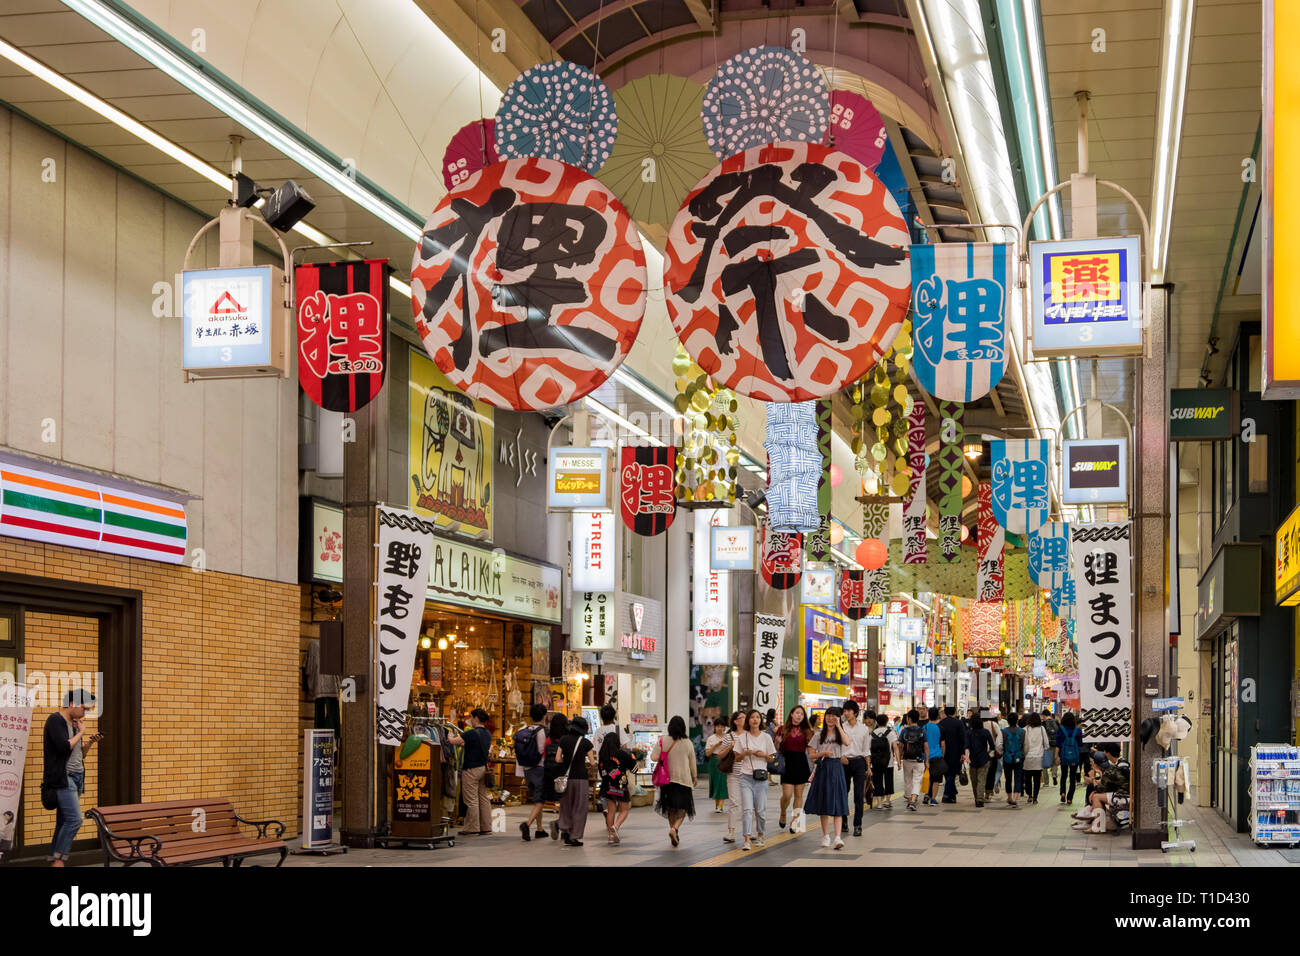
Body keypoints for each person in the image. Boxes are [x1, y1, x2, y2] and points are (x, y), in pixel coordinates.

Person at [43, 689, 102, 866]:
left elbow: (79, 754)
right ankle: (59, 859)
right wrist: (81, 733)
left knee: (64, 821)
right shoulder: (56, 720)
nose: (86, 712)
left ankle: (54, 859)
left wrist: (90, 742)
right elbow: (63, 747)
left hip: (77, 777)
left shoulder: (73, 724)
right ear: (72, 704)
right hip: (64, 778)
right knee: (75, 819)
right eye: (84, 708)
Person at [804, 706, 850, 849]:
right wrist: (822, 753)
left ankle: (837, 837)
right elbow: (811, 754)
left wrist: (839, 726)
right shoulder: (818, 735)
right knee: (824, 802)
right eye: (828, 715)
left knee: (838, 801)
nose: (830, 718)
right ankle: (825, 836)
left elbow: (847, 742)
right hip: (824, 769)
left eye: (834, 716)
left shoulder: (840, 733)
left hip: (837, 768)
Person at [734, 709, 777, 851]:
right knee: (747, 810)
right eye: (752, 717)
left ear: (761, 720)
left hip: (761, 778)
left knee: (760, 810)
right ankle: (746, 839)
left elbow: (772, 758)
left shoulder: (766, 737)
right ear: (748, 721)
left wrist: (764, 755)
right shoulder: (742, 738)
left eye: (758, 717)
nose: (755, 719)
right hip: (745, 777)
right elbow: (736, 758)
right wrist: (745, 753)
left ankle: (760, 835)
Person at [651, 716, 697, 847]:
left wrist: (664, 755)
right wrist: (695, 776)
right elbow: (692, 763)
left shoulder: (663, 740)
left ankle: (672, 829)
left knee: (671, 808)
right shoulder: (687, 742)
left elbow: (653, 757)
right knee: (683, 808)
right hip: (683, 781)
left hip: (667, 780)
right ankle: (674, 829)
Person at [447, 708, 493, 837]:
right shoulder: (487, 733)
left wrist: (450, 734)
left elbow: (453, 741)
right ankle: (486, 827)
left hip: (471, 769)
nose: (470, 721)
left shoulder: (471, 733)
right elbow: (472, 745)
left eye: (471, 718)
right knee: (483, 798)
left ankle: (472, 828)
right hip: (483, 769)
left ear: (476, 718)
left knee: (471, 800)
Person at [1072, 744, 1130, 833]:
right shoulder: (1117, 765)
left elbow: (1101, 788)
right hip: (1123, 792)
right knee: (1095, 794)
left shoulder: (1115, 768)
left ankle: (1097, 826)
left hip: (1123, 795)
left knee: (1096, 797)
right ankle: (1092, 822)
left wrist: (1093, 779)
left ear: (1108, 753)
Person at [555, 716, 594, 847]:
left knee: (566, 805)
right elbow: (593, 762)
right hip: (581, 779)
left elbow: (557, 759)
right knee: (579, 807)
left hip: (566, 779)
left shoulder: (563, 740)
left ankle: (564, 829)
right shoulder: (585, 742)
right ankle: (574, 836)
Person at [774, 705, 812, 830]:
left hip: (801, 763)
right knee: (787, 794)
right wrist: (778, 742)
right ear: (791, 714)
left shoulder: (807, 731)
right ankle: (783, 812)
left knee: (799, 795)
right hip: (787, 764)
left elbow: (811, 749)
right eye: (797, 713)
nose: (799, 715)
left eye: (801, 714)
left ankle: (795, 821)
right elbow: (775, 749)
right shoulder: (782, 729)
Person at [516, 703, 549, 842]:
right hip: (539, 769)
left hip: (527, 770)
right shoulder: (543, 731)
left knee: (537, 800)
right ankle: (527, 824)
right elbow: (542, 750)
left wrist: (520, 772)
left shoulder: (524, 730)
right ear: (544, 716)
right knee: (540, 800)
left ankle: (540, 829)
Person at [598, 724, 634, 844]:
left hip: (607, 787)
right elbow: (634, 768)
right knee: (625, 809)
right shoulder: (621, 754)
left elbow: (602, 773)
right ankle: (616, 827)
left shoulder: (602, 756)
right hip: (620, 787)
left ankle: (610, 836)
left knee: (611, 810)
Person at [840, 699, 871, 835]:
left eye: (848, 711)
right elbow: (837, 746)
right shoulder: (841, 727)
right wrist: (841, 756)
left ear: (856, 713)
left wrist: (868, 767)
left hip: (859, 762)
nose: (846, 713)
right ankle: (844, 821)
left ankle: (858, 824)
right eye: (844, 711)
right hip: (844, 762)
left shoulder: (864, 729)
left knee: (859, 794)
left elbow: (866, 750)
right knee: (842, 793)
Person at [897, 709, 929, 812]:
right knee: (917, 781)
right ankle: (913, 799)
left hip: (907, 759)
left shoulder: (904, 731)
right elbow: (926, 747)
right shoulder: (922, 731)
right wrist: (927, 760)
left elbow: (901, 746)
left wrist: (899, 757)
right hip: (919, 759)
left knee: (908, 780)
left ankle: (910, 800)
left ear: (909, 719)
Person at [545, 713, 569, 841]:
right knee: (567, 801)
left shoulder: (549, 738)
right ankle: (562, 826)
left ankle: (562, 826)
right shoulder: (566, 738)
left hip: (551, 775)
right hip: (564, 774)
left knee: (562, 801)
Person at [722, 710, 745, 843]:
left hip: (749, 775)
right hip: (733, 775)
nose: (746, 719)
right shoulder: (728, 736)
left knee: (750, 804)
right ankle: (731, 832)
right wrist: (729, 748)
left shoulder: (750, 735)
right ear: (736, 721)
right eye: (743, 717)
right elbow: (720, 755)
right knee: (734, 803)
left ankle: (749, 831)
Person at [868, 710, 899, 810]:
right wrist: (898, 761)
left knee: (877, 781)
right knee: (888, 780)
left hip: (875, 762)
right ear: (886, 722)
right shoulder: (891, 732)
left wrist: (868, 765)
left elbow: (868, 750)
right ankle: (888, 801)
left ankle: (879, 803)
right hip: (888, 762)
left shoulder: (872, 734)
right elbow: (895, 747)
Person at [937, 706, 966, 804]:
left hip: (943, 753)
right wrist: (963, 752)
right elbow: (962, 738)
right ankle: (946, 795)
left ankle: (952, 795)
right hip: (956, 752)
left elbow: (939, 739)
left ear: (945, 712)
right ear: (954, 712)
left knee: (947, 774)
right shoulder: (959, 723)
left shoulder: (940, 723)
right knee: (951, 774)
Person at [963, 713, 994, 806]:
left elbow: (967, 747)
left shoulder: (969, 733)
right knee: (981, 780)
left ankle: (977, 798)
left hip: (973, 760)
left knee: (974, 781)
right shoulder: (986, 732)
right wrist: (987, 752)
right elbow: (992, 746)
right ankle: (980, 800)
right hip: (984, 759)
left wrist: (967, 757)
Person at [1056, 711, 1086, 805]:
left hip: (1063, 755)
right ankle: (1070, 798)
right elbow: (1081, 743)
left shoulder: (1061, 729)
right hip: (1075, 756)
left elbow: (1058, 744)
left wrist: (1056, 756)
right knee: (1072, 777)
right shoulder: (1077, 730)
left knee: (1063, 775)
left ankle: (1063, 793)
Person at [1022, 712, 1051, 805]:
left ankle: (1029, 795)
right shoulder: (1042, 729)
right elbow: (1046, 744)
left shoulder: (1024, 729)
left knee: (1027, 778)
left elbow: (1022, 743)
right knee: (1037, 779)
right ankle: (1035, 798)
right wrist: (1044, 749)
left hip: (1027, 757)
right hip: (1038, 757)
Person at [705, 719, 731, 813]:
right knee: (715, 782)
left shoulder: (728, 737)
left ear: (724, 727)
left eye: (722, 726)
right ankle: (717, 805)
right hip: (714, 761)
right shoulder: (711, 738)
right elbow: (707, 753)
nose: (720, 728)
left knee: (723, 782)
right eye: (718, 726)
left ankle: (720, 805)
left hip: (724, 761)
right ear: (714, 727)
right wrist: (716, 745)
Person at [1000, 713, 1025, 808]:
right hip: (1019, 757)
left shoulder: (1003, 731)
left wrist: (1003, 752)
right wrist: (1023, 755)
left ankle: (1009, 797)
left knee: (1008, 779)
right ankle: (1015, 799)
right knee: (1018, 778)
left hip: (1007, 757)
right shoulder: (1022, 732)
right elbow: (1025, 745)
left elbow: (999, 745)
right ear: (1017, 721)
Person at [922, 706, 944, 806]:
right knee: (936, 779)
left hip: (926, 756)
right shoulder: (940, 727)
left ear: (929, 715)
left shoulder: (924, 727)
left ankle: (926, 794)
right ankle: (933, 799)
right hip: (937, 755)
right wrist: (943, 755)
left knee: (928, 776)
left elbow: (922, 742)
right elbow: (943, 744)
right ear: (938, 715)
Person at [982, 709, 1004, 802]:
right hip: (991, 753)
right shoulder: (993, 724)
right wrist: (999, 750)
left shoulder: (978, 724)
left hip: (981, 754)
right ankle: (987, 794)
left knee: (982, 774)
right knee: (991, 774)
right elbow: (1000, 737)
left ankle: (980, 793)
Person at [1042, 710, 1061, 788]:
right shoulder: (1056, 722)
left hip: (1046, 745)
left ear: (1044, 715)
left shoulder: (1043, 723)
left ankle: (1046, 782)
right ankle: (1054, 775)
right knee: (1054, 760)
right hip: (1055, 744)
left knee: (1045, 763)